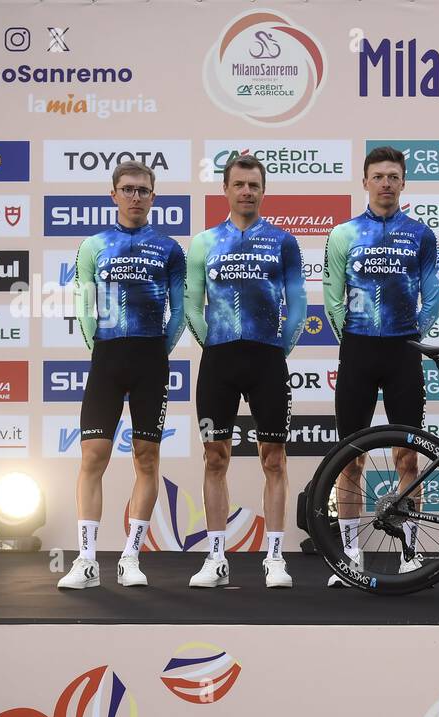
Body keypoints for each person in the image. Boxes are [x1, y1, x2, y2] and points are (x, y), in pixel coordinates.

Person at [58, 161, 185, 590]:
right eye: (127, 189)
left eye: (143, 190)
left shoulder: (169, 249)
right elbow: (83, 304)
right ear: (113, 195)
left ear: (153, 197)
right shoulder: (94, 245)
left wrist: (157, 350)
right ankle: (87, 559)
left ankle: (131, 555)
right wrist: (104, 349)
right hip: (108, 360)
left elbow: (181, 311)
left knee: (147, 459)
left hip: (151, 358)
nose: (135, 197)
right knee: (93, 457)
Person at [185, 154, 307, 588]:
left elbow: (298, 305)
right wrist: (212, 345)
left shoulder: (283, 242)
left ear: (263, 190)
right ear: (226, 189)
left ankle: (275, 557)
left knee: (273, 459)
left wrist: (280, 348)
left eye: (254, 185)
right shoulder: (203, 243)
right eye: (239, 184)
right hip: (219, 360)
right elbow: (190, 304)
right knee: (214, 457)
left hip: (267, 360)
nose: (246, 192)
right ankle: (215, 557)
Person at [323, 145, 439, 585]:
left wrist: (412, 333)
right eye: (379, 176)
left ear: (403, 182)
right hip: (357, 350)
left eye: (394, 176)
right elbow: (333, 298)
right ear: (366, 181)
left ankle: (410, 551)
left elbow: (433, 296)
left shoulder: (421, 235)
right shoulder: (343, 234)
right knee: (349, 457)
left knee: (407, 454)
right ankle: (350, 555)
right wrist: (352, 335)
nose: (386, 183)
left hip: (403, 352)